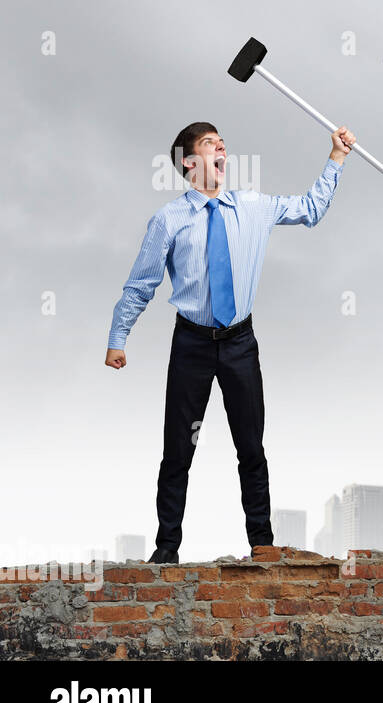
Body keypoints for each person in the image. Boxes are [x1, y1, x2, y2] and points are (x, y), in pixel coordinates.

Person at [105, 122, 355, 564]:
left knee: (251, 446)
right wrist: (118, 338)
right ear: (188, 162)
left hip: (240, 342)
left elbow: (311, 209)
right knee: (178, 449)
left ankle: (262, 541)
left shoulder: (253, 207)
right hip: (192, 345)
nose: (220, 146)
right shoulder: (168, 220)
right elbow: (140, 285)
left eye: (221, 142)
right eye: (207, 143)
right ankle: (166, 550)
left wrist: (335, 157)